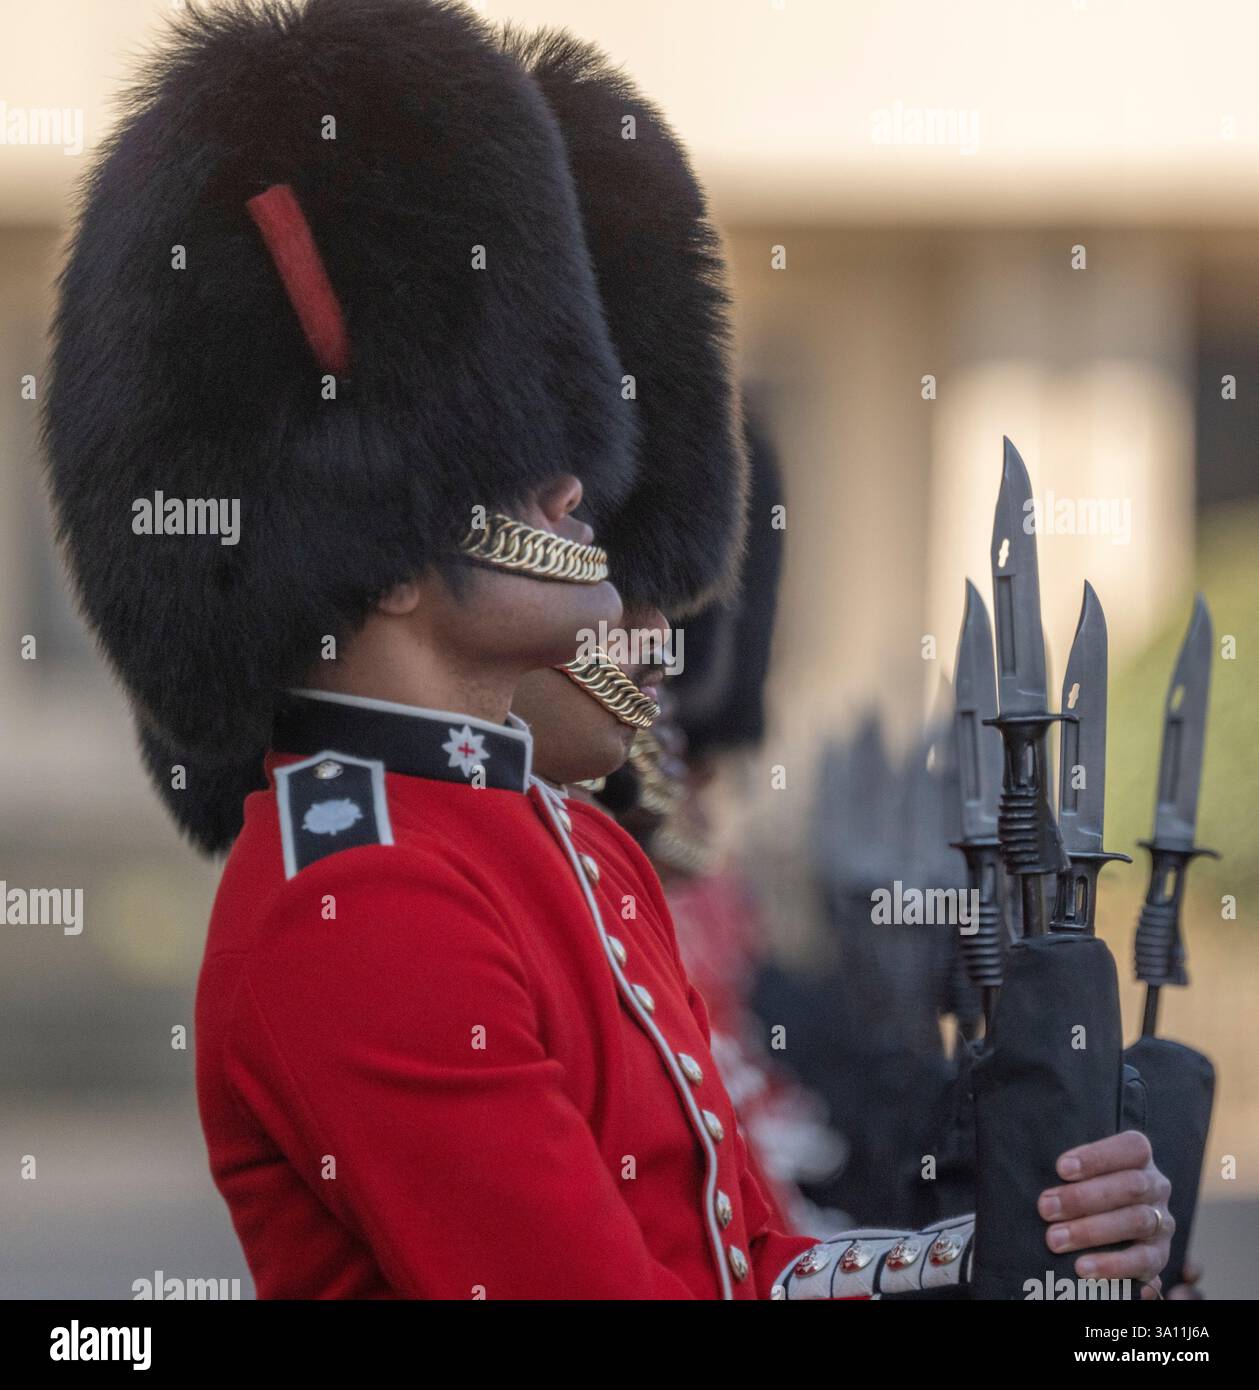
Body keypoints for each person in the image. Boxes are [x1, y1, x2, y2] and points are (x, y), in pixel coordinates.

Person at [44, 0, 1174, 1300]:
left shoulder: (572, 851)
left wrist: (1016, 1256)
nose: (578, 492)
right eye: (522, 465)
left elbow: (748, 1263)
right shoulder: (355, 895)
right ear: (392, 539)